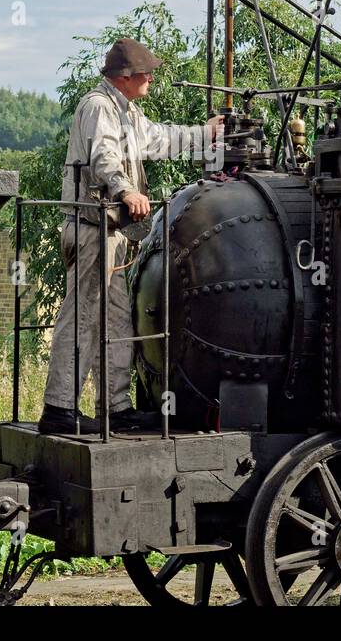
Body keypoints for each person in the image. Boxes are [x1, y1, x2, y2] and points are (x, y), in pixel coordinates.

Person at [38, 37, 223, 435]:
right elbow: (103, 157)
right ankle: (59, 408)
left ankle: (116, 406)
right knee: (84, 317)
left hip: (111, 234)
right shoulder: (98, 107)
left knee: (117, 320)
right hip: (92, 230)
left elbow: (159, 139)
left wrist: (204, 134)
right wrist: (125, 190)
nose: (151, 78)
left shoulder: (128, 113)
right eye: (146, 73)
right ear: (125, 77)